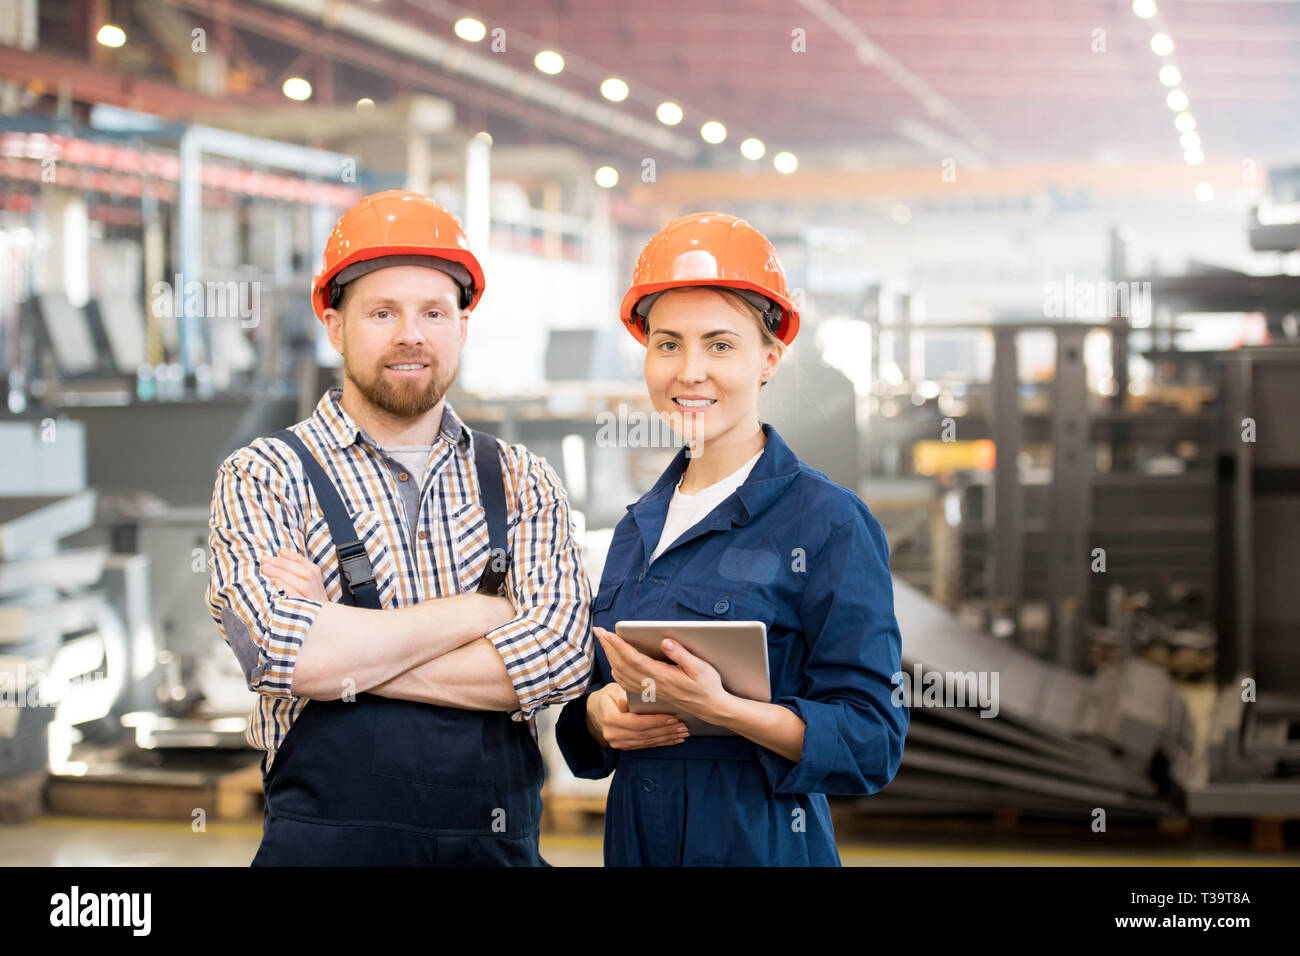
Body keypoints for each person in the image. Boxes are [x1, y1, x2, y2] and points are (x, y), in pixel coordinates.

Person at [206, 189, 592, 866]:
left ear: (462, 329)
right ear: (334, 325)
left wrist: (340, 644)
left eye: (434, 313)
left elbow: (560, 661)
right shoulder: (263, 475)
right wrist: (482, 612)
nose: (411, 334)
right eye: (382, 312)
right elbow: (280, 652)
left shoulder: (525, 481)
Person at [554, 212, 908, 866]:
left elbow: (872, 741)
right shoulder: (638, 527)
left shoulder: (827, 522)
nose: (690, 371)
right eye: (667, 344)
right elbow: (588, 719)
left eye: (720, 345)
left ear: (769, 358)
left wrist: (729, 711)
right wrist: (599, 717)